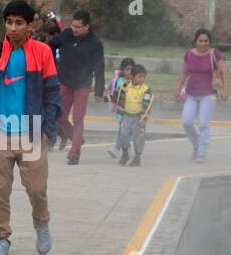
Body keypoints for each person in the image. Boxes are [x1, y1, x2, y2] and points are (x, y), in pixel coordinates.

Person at [0, 0, 61, 255]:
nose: (13, 28)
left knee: (37, 189)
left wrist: (47, 130)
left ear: (30, 25)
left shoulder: (42, 52)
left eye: (19, 23)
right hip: (0, 133)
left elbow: (53, 94)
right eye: (9, 22)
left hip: (33, 133)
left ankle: (42, 224)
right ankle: (1, 239)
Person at [47, 9, 105, 164]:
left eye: (78, 27)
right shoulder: (66, 34)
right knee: (59, 116)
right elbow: (49, 46)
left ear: (87, 26)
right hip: (65, 82)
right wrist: (51, 64)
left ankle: (75, 153)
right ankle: (76, 139)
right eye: (73, 25)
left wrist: (99, 90)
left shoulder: (95, 43)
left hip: (82, 85)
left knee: (78, 119)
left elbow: (100, 67)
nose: (74, 29)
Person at [176, 28, 230, 162]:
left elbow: (223, 73)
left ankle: (201, 153)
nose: (203, 43)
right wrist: (178, 88)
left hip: (209, 94)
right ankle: (196, 145)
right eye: (200, 41)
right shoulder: (189, 54)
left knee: (203, 124)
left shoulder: (215, 54)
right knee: (186, 122)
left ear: (210, 42)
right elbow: (184, 73)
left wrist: (225, 89)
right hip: (191, 94)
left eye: (206, 41)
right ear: (195, 41)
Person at [115, 64, 154, 167]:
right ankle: (125, 154)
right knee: (123, 134)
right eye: (140, 76)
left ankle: (137, 157)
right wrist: (106, 97)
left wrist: (143, 118)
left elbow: (147, 104)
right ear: (132, 77)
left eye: (144, 77)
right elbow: (117, 96)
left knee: (138, 138)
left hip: (138, 118)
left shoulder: (145, 90)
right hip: (126, 116)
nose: (142, 79)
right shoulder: (125, 86)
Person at [106, 57, 135, 160]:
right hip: (120, 111)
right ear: (122, 70)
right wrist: (105, 96)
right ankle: (127, 150)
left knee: (123, 131)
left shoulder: (135, 83)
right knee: (123, 131)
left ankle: (117, 149)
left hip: (131, 111)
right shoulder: (118, 81)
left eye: (131, 69)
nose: (129, 72)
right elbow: (112, 92)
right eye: (127, 69)